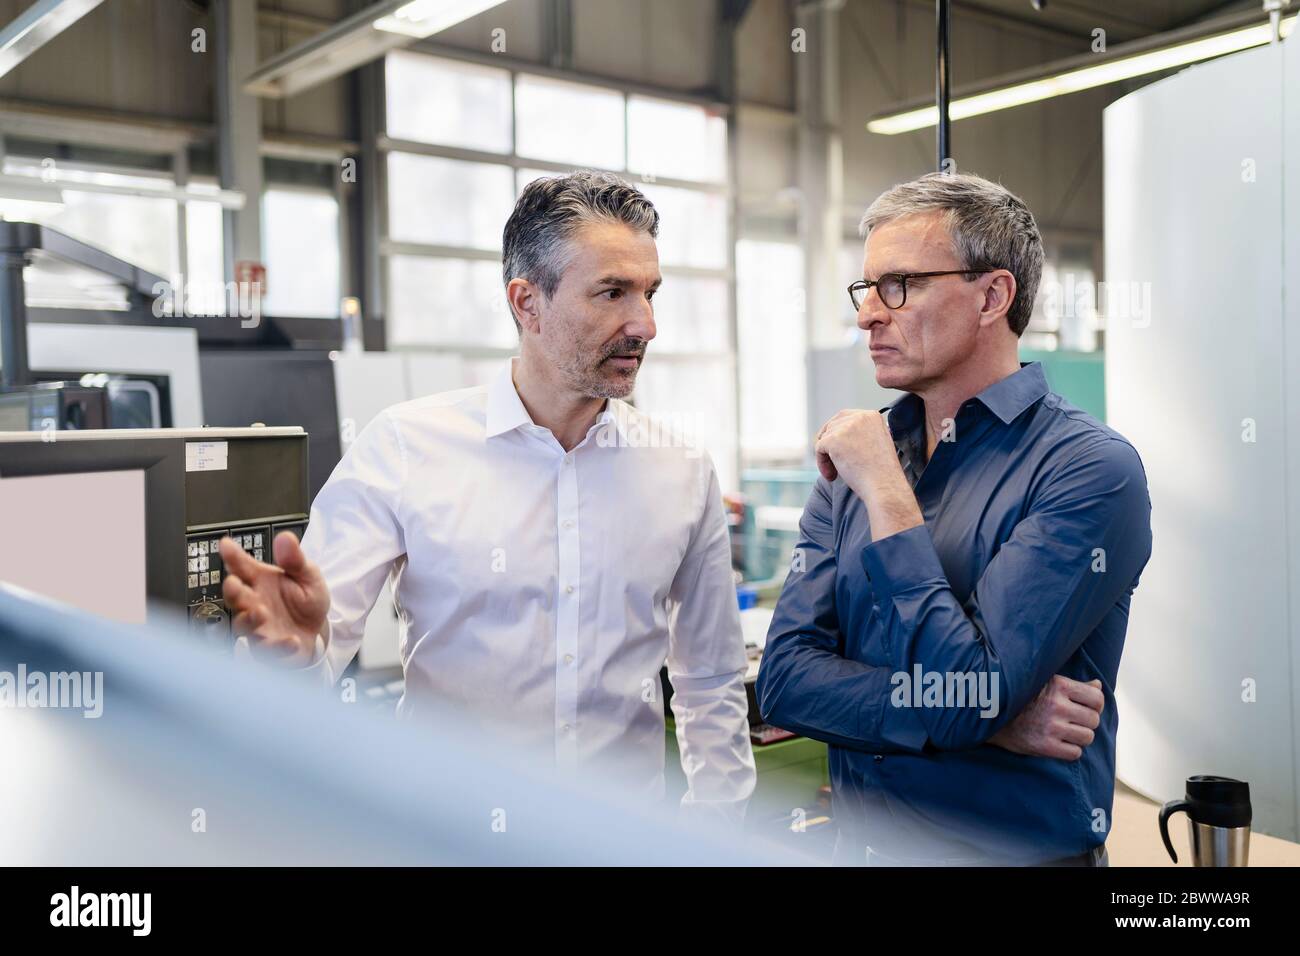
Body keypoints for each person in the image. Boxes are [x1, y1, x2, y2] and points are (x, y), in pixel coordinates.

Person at [219, 171, 755, 819]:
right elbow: (318, 647)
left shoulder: (681, 471)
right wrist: (299, 654)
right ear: (527, 303)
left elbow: (711, 680)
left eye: (649, 293)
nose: (644, 325)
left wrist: (719, 830)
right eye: (612, 292)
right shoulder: (406, 448)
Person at [757, 171, 1152, 865]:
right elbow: (786, 680)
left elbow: (960, 702)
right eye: (866, 288)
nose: (868, 314)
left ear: (992, 296)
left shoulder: (1088, 470)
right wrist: (995, 722)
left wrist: (885, 492)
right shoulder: (858, 453)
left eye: (900, 285)